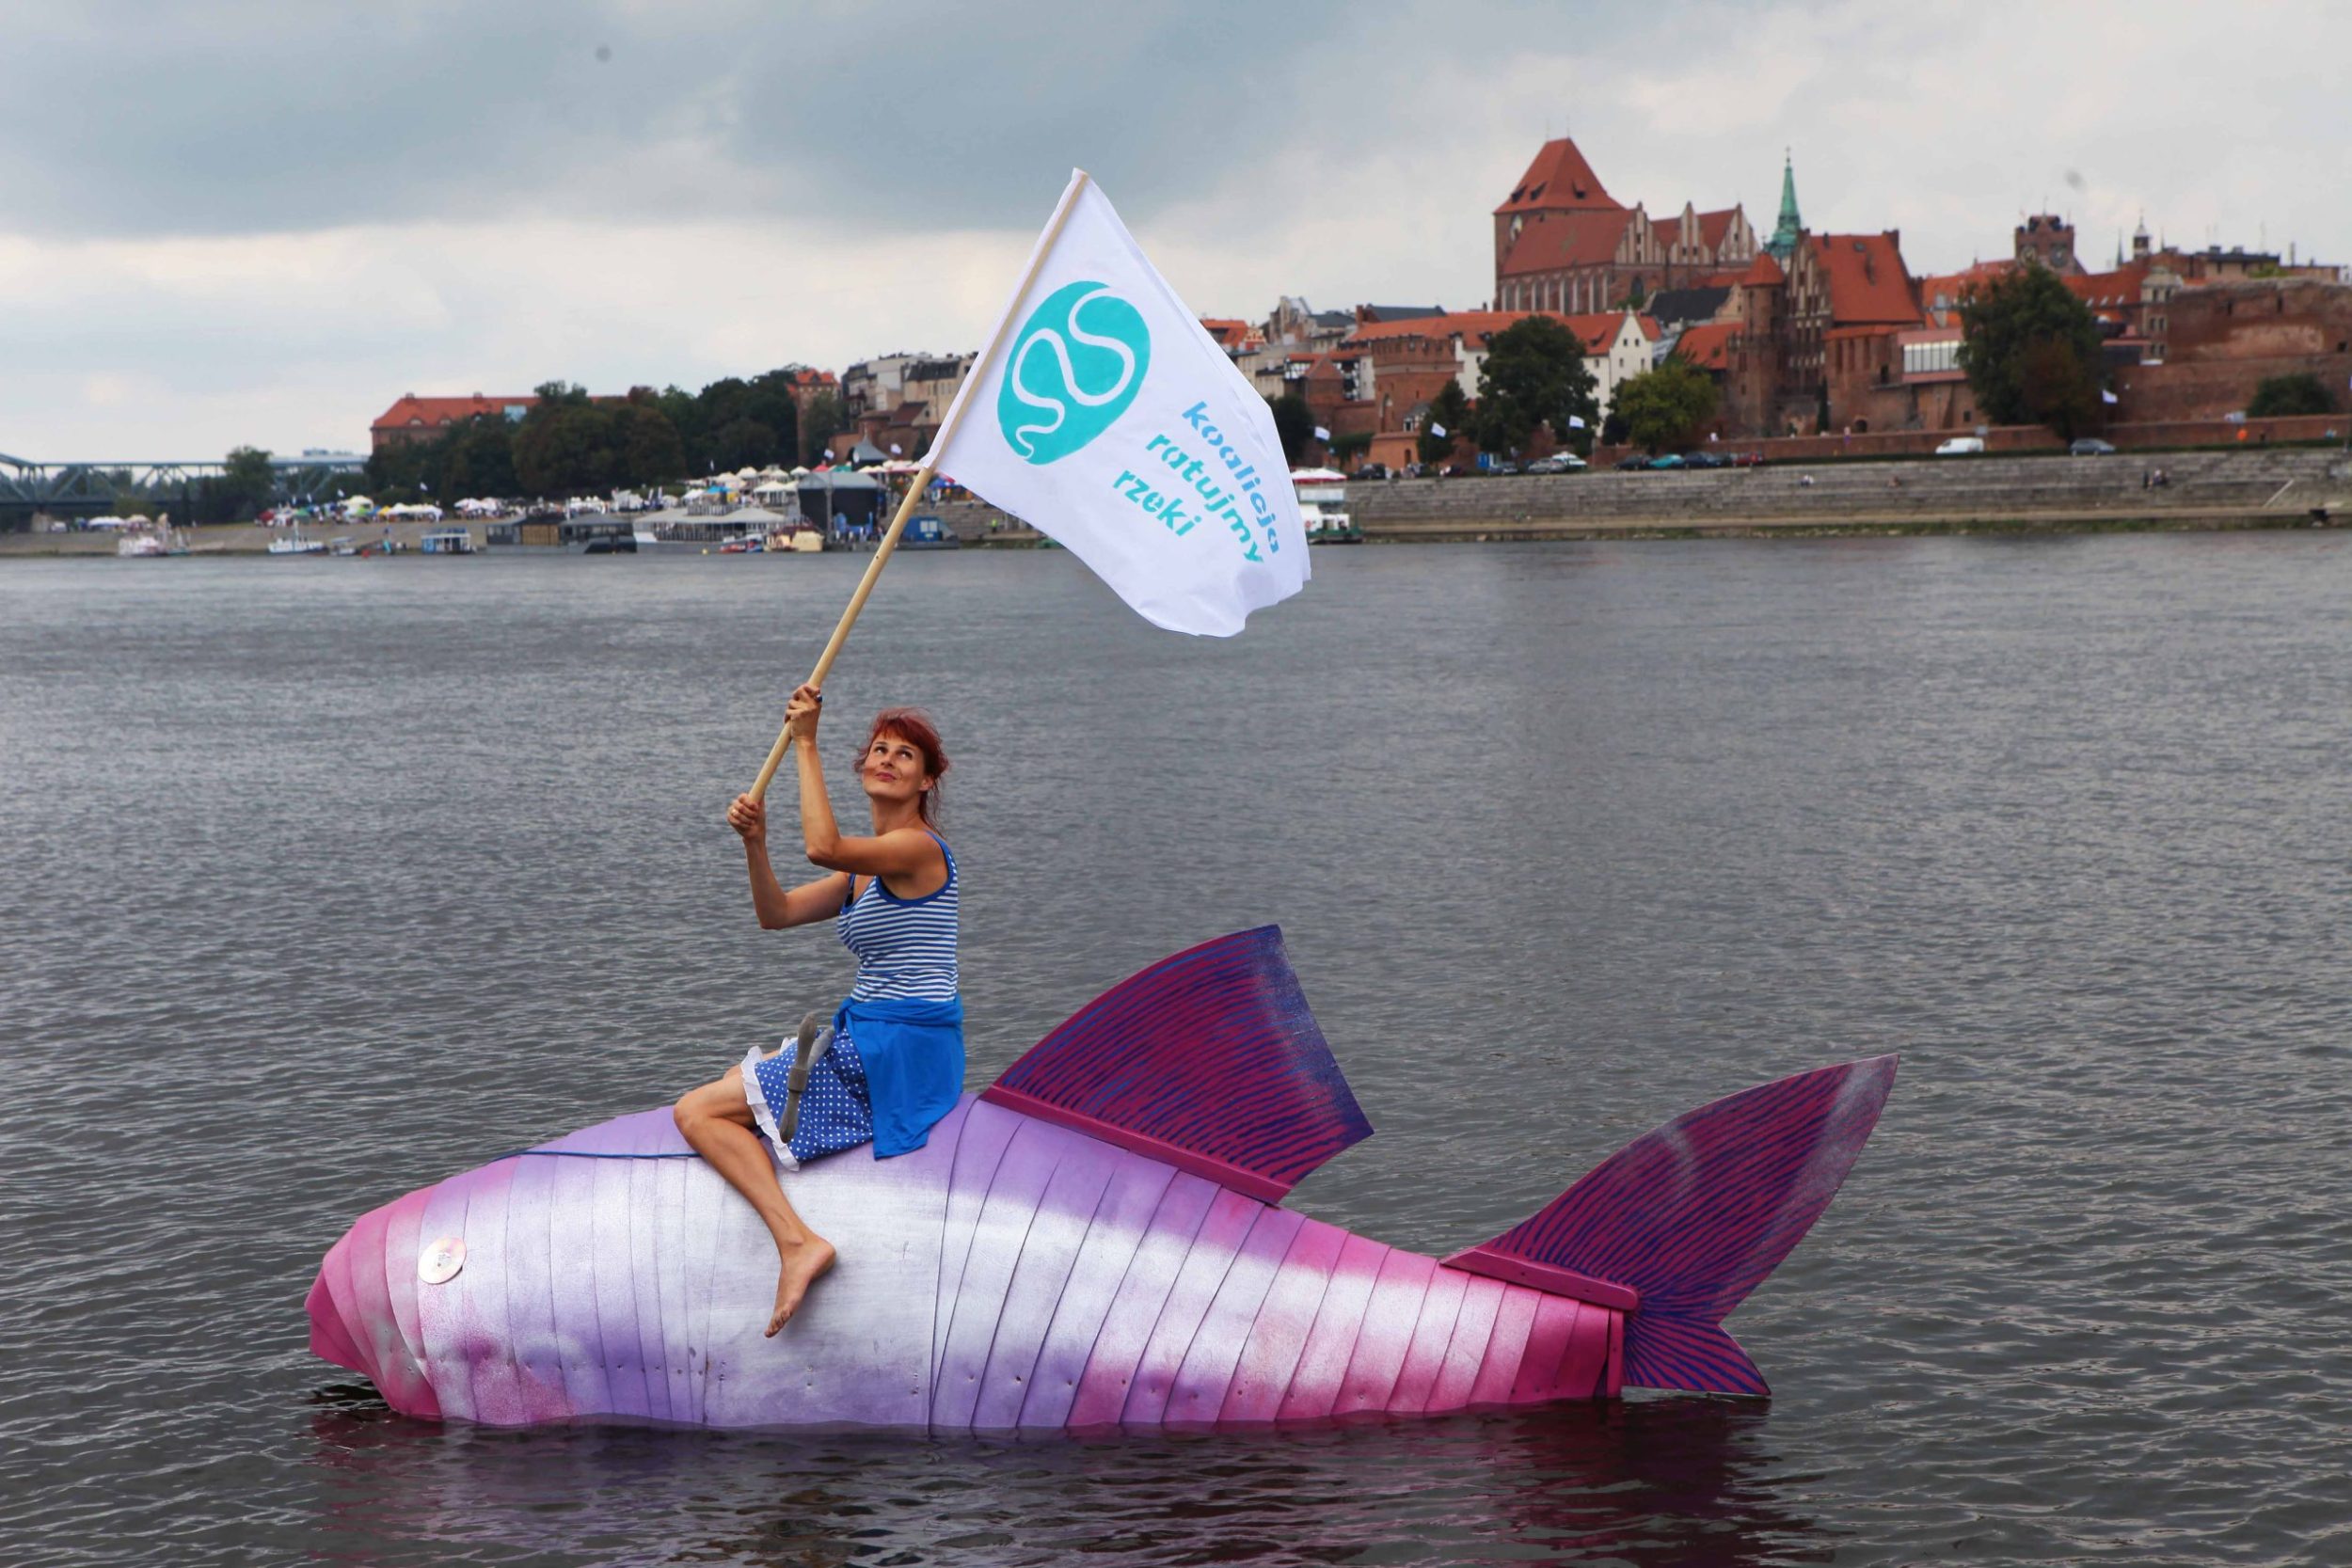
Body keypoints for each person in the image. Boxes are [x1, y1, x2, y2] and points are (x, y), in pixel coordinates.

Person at [673, 685, 961, 1336]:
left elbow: (824, 845)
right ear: (863, 768)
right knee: (728, 1083)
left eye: (906, 754)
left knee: (695, 1110)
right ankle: (781, 1194)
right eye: (879, 749)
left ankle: (798, 1241)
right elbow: (775, 915)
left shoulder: (917, 849)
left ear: (926, 780)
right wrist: (756, 843)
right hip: (869, 1030)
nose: (887, 759)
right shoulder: (862, 873)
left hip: (900, 1048)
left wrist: (804, 740)